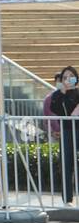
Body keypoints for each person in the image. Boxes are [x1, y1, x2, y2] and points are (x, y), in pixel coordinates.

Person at [49, 66, 79, 205]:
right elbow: (54, 109)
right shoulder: (57, 95)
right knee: (67, 163)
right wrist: (62, 91)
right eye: (65, 76)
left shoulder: (78, 92)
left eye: (71, 76)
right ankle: (67, 199)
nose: (68, 79)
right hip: (67, 131)